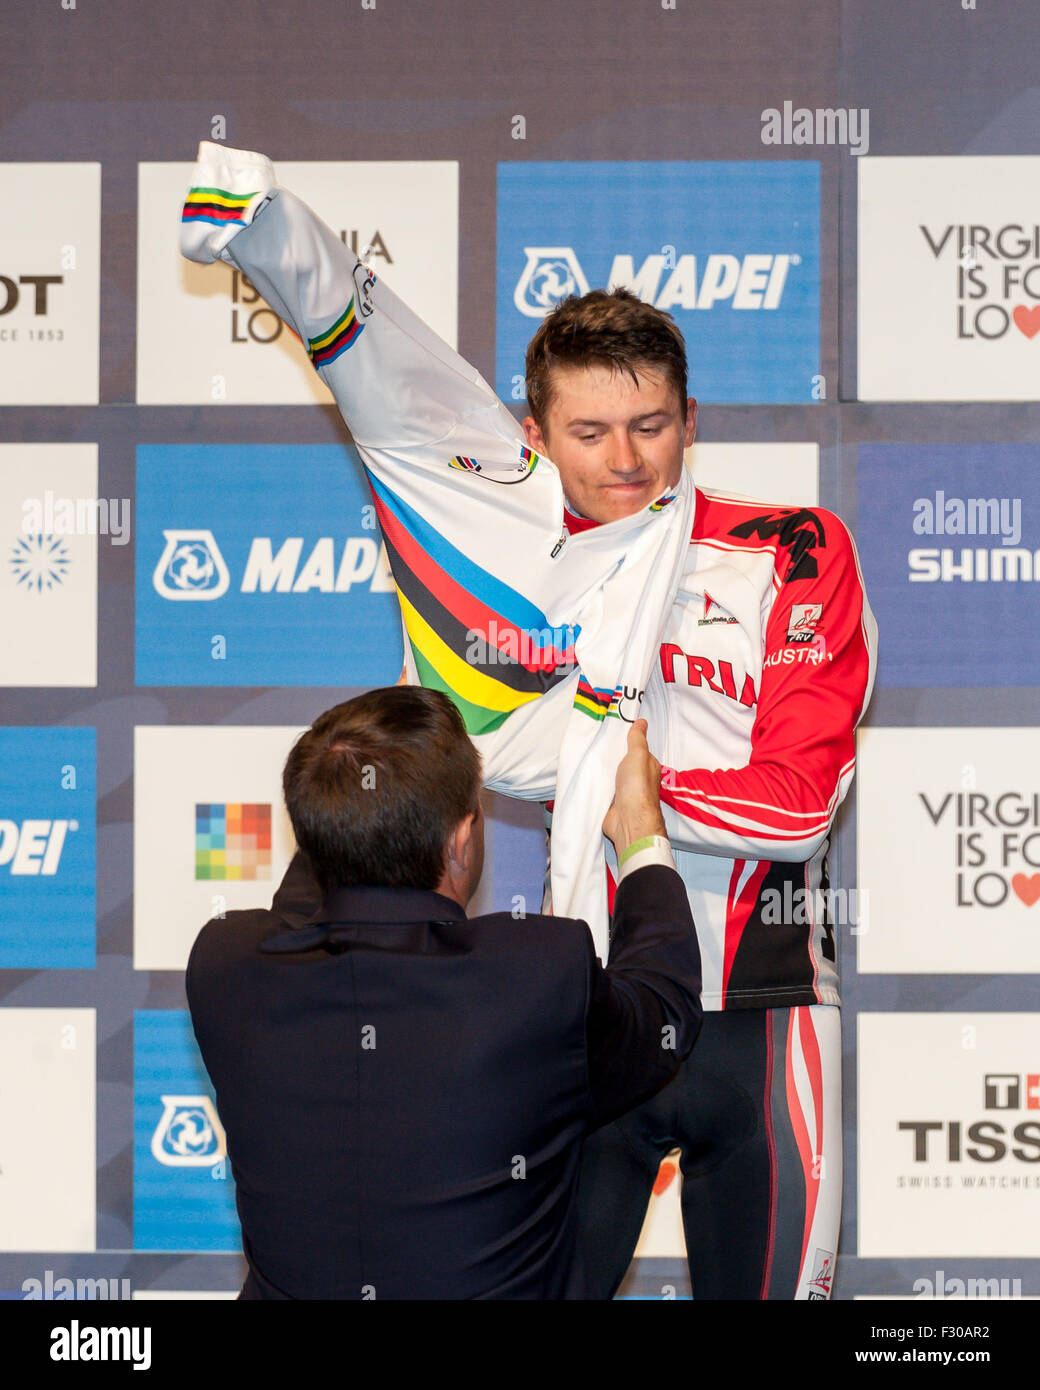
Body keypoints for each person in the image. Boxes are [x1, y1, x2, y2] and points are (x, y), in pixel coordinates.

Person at [181, 142, 877, 1299]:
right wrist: (259, 226)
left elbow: (799, 806)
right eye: (589, 433)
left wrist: (615, 769)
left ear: (690, 416)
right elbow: (376, 365)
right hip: (583, 1018)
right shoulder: (500, 529)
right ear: (533, 428)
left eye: (650, 426)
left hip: (762, 1013)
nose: (624, 461)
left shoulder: (790, 547)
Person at [186, 687, 702, 1300]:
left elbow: (318, 891)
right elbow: (663, 1010)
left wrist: (359, 787)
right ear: (461, 841)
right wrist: (642, 835)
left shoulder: (227, 965)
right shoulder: (536, 975)